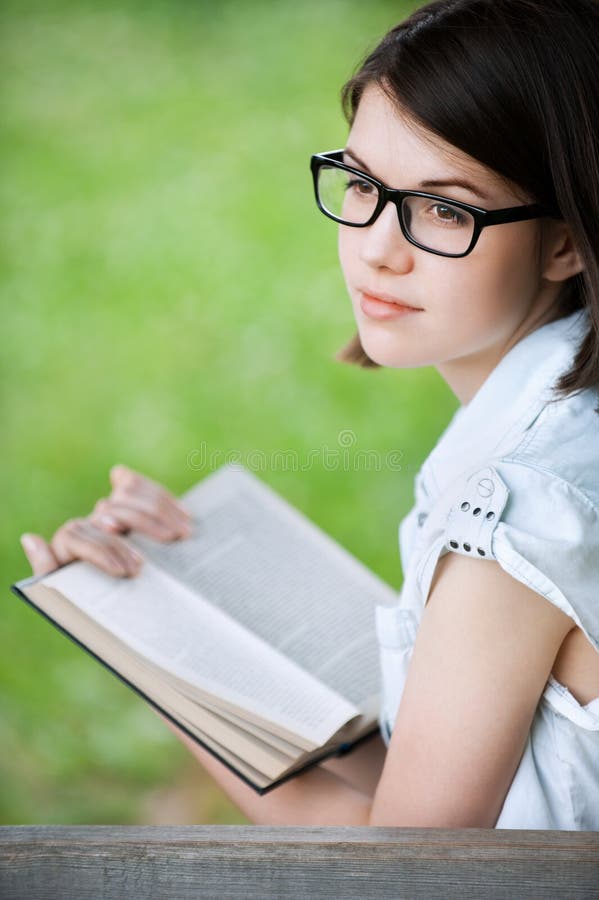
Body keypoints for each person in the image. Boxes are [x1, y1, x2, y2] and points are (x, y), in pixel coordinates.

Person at [20, 0, 599, 828]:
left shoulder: (518, 517)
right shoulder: (558, 430)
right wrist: (177, 607)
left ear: (565, 241)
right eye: (364, 184)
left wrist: (161, 664)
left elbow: (395, 877)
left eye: (443, 208)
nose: (374, 245)